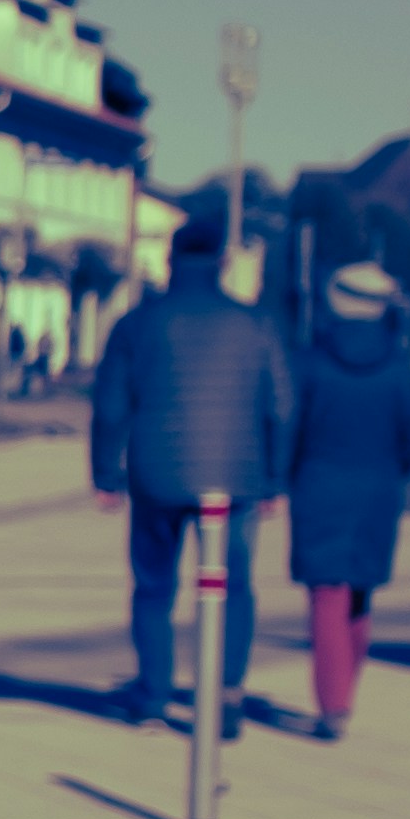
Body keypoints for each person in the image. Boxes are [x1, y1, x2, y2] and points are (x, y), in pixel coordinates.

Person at [87, 220, 297, 723]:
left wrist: (106, 475)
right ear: (223, 262)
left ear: (170, 261)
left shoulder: (136, 324)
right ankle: (225, 695)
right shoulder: (256, 324)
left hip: (156, 477)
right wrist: (275, 478)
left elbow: (111, 407)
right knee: (233, 586)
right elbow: (282, 406)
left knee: (154, 587)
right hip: (236, 480)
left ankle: (154, 696)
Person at [285, 260, 410, 741]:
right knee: (359, 595)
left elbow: (288, 427)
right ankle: (345, 691)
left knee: (326, 595)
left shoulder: (308, 363)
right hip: (378, 491)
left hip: (318, 488)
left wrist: (286, 475)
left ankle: (333, 705)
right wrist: (391, 471)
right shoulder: (398, 367)